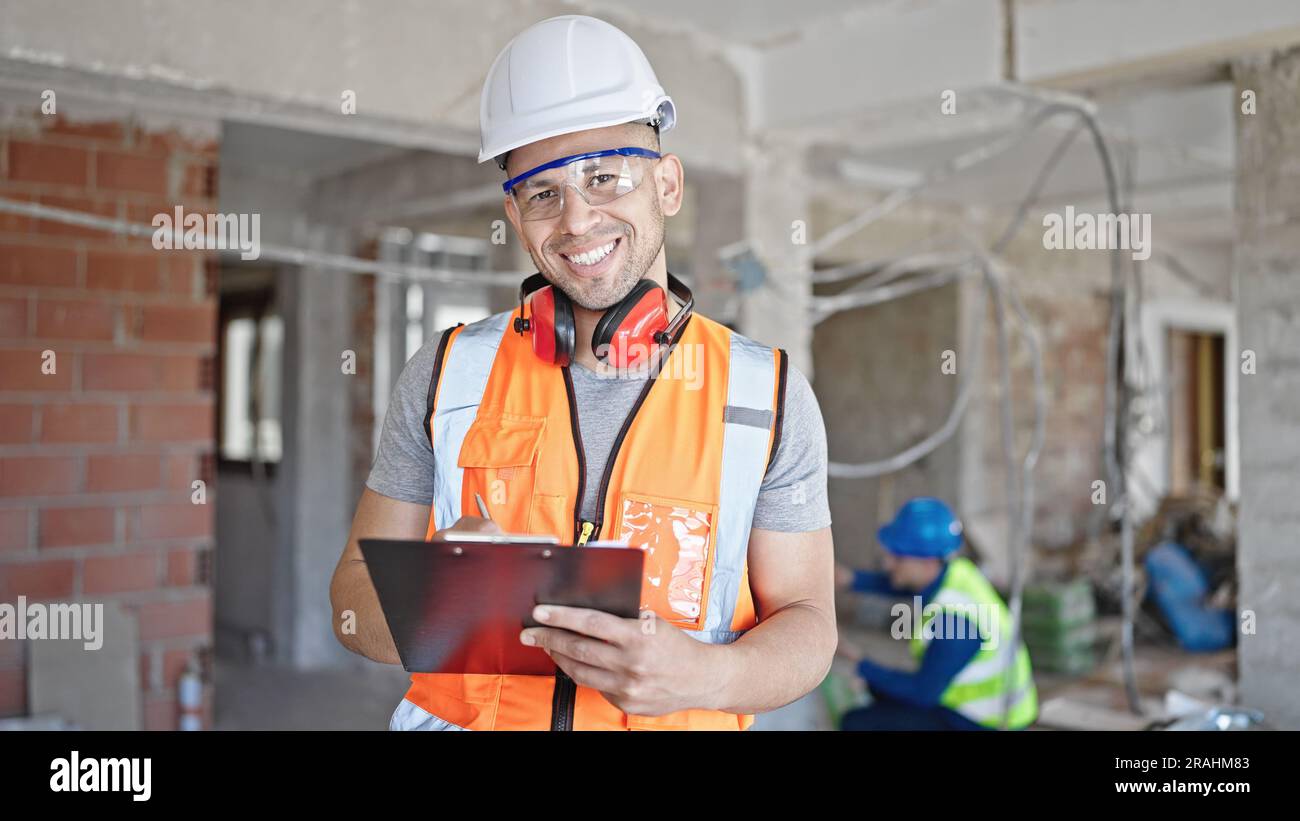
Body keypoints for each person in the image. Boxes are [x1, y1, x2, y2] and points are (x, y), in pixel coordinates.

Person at [329, 14, 836, 731]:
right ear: (514, 211)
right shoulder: (446, 376)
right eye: (542, 192)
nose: (575, 220)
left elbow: (811, 627)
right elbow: (350, 606)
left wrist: (707, 673)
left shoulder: (766, 398)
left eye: (605, 176)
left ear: (667, 182)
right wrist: (444, 595)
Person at [834, 497, 1037, 730]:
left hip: (987, 723)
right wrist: (850, 579)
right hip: (967, 704)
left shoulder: (956, 624)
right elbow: (900, 583)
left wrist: (855, 659)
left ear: (929, 563)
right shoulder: (956, 572)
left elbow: (921, 693)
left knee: (857, 722)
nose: (888, 564)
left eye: (898, 557)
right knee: (877, 688)